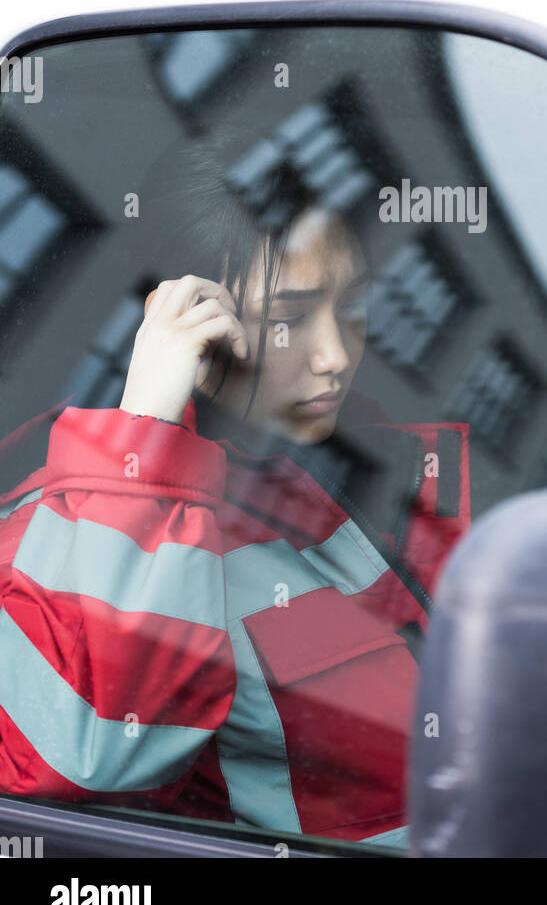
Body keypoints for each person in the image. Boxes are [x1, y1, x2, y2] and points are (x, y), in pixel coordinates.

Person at [0, 143, 471, 847]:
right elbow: (89, 759)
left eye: (350, 308)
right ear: (182, 319)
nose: (335, 355)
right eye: (291, 314)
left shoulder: (328, 487)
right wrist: (149, 421)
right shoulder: (60, 520)